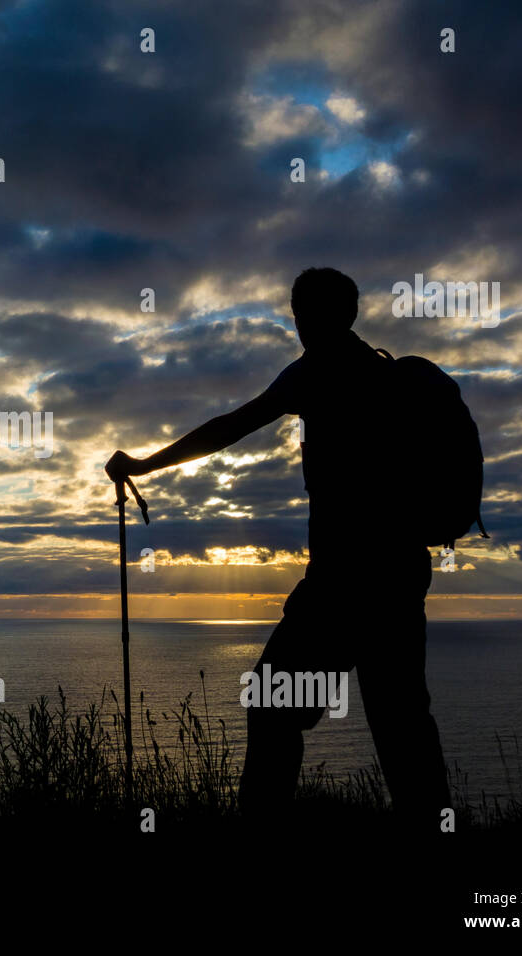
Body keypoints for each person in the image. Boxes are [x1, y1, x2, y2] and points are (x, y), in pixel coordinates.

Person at [105, 267, 451, 829]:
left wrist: (143, 464)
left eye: (302, 315)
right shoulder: (385, 375)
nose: (301, 325)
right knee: (404, 727)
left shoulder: (317, 372)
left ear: (305, 318)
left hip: (341, 587)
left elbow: (229, 428)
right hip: (401, 577)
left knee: (271, 706)